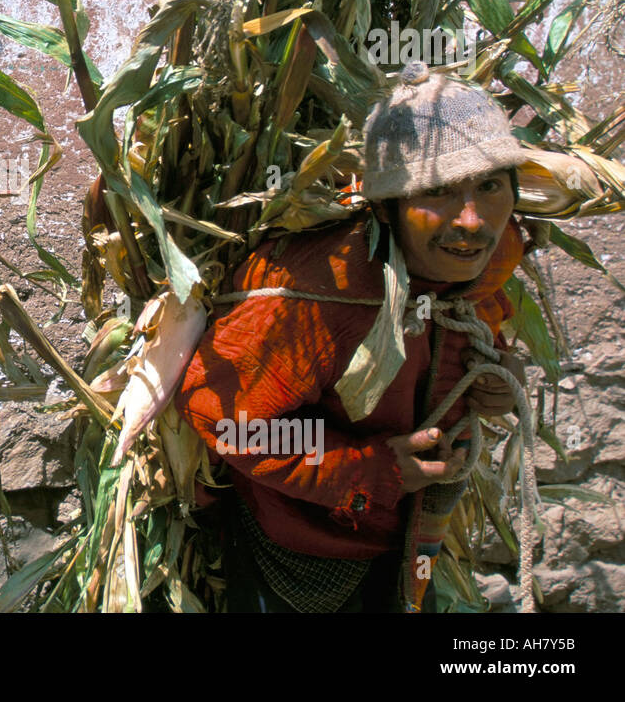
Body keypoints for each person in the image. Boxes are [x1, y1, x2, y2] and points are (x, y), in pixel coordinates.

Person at [176, 62, 529, 612]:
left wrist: (500, 379)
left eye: (489, 186)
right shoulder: (316, 293)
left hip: (407, 534)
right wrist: (371, 469)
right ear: (387, 207)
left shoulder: (485, 260)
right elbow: (229, 422)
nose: (471, 219)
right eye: (436, 191)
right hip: (302, 548)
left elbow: (484, 327)